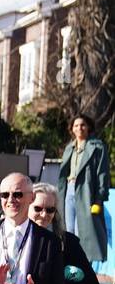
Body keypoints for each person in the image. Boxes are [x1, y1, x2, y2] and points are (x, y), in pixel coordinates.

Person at [56, 113, 109, 266]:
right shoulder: (69, 148)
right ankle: (70, 268)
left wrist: (99, 199)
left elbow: (102, 174)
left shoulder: (97, 147)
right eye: (76, 125)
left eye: (83, 125)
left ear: (89, 127)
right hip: (68, 192)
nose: (80, 128)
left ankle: (85, 269)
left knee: (86, 234)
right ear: (72, 129)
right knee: (68, 230)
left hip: (86, 193)